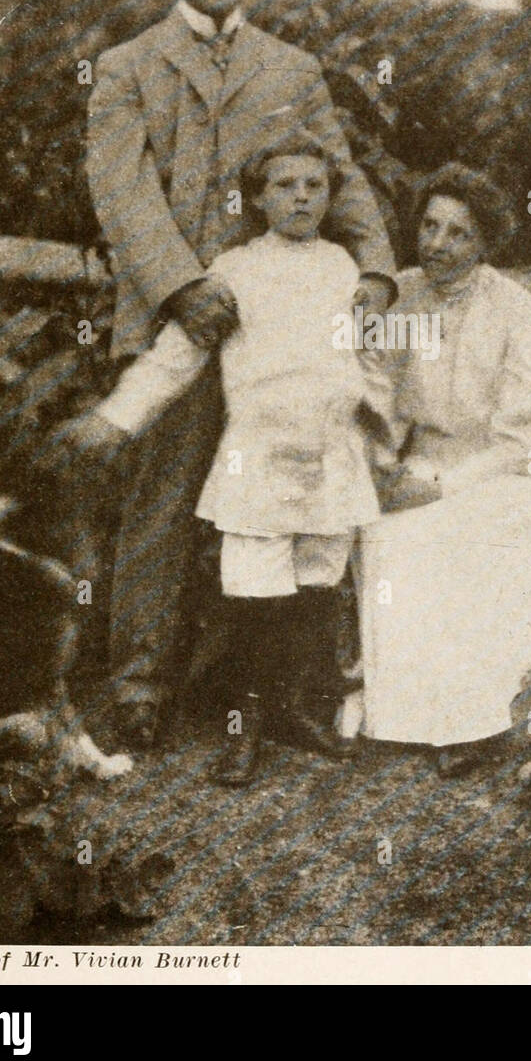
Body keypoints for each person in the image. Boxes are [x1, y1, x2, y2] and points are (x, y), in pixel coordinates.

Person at [83, 0, 395, 749]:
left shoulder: (291, 69)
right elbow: (120, 187)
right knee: (163, 501)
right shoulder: (128, 67)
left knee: (289, 501)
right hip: (176, 318)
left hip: (280, 333)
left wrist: (373, 268)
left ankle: (267, 692)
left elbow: (341, 175)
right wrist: (184, 286)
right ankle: (141, 686)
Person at [96, 139, 391, 785]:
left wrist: (384, 431)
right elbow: (178, 356)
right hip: (257, 456)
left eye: (314, 185)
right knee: (254, 591)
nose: (301, 198)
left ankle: (292, 709)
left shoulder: (345, 267)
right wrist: (116, 417)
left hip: (330, 454)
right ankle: (245, 725)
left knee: (315, 583)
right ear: (256, 198)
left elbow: (366, 360)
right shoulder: (233, 269)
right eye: (284, 186)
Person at [348, 163, 531, 777]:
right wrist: (383, 462)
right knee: (386, 532)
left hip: (510, 471)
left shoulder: (521, 315)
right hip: (418, 459)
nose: (438, 245)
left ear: (485, 244)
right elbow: (375, 388)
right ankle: (406, 711)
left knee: (465, 533)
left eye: (459, 234)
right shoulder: (399, 296)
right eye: (430, 226)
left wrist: (444, 485)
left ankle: (480, 718)